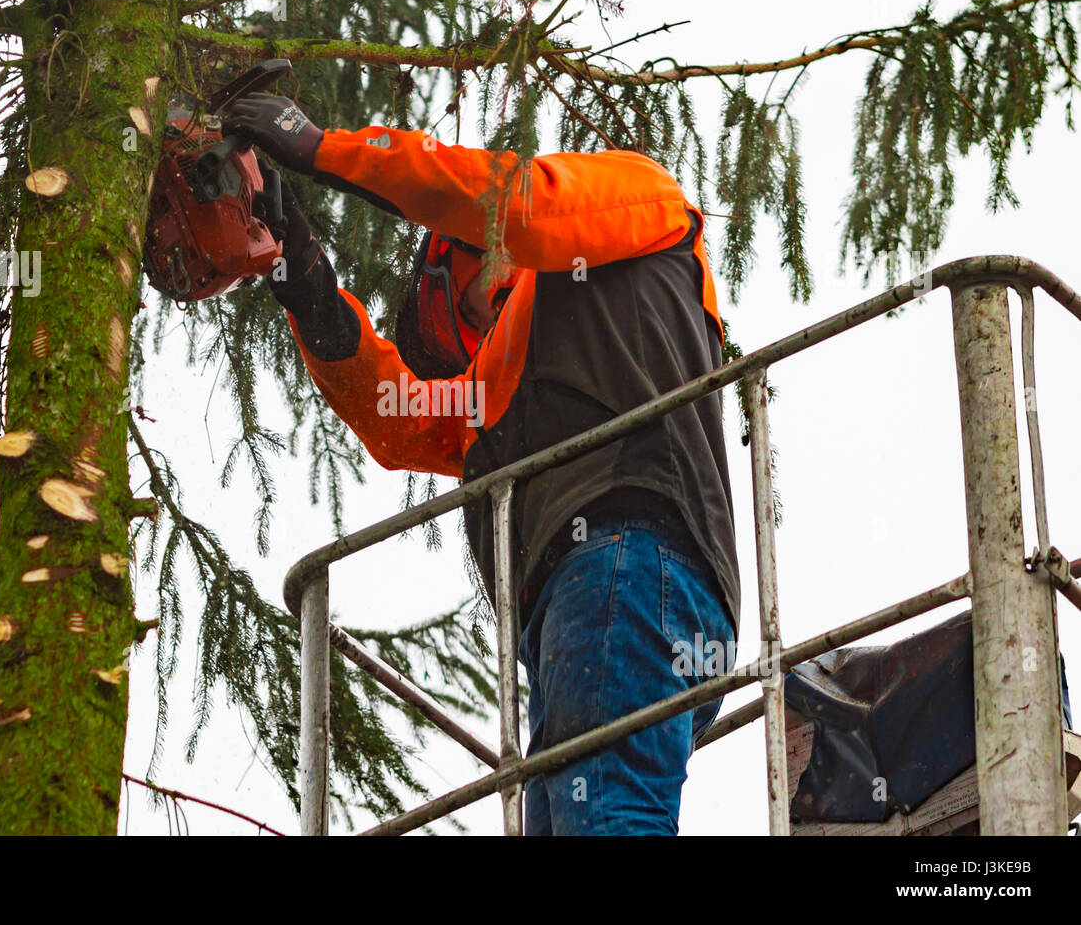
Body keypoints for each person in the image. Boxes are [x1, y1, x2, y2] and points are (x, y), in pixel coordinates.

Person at [227, 94, 741, 835]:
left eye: (457, 312)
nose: (470, 333)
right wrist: (303, 281)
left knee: (607, 817)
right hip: (616, 610)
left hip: (631, 567)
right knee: (587, 815)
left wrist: (316, 146)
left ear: (459, 254)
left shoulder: (638, 200)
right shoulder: (503, 381)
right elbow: (393, 415)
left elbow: (511, 205)